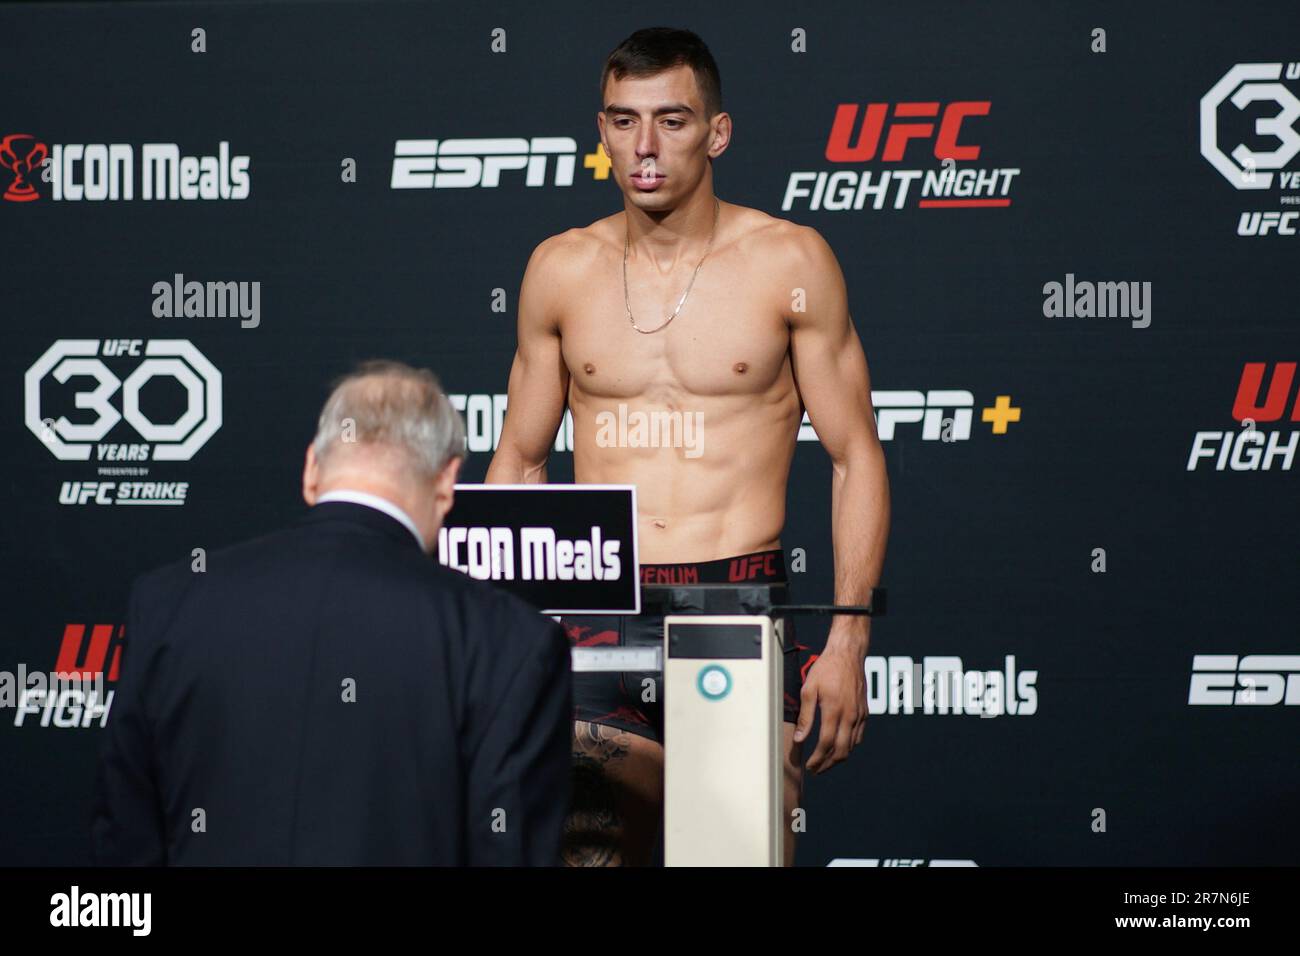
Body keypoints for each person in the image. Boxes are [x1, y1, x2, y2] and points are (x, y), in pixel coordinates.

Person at [485, 27, 890, 866]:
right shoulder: (559, 269)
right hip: (598, 607)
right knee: (587, 853)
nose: (645, 147)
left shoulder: (789, 261)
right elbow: (520, 460)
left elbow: (855, 456)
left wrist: (847, 642)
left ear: (717, 132)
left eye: (671, 121)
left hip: (735, 600)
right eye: (624, 121)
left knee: (733, 852)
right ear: (600, 130)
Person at [92, 360, 572, 865]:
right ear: (448, 481)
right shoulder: (509, 640)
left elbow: (125, 840)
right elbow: (508, 851)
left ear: (311, 470)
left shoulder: (170, 604)